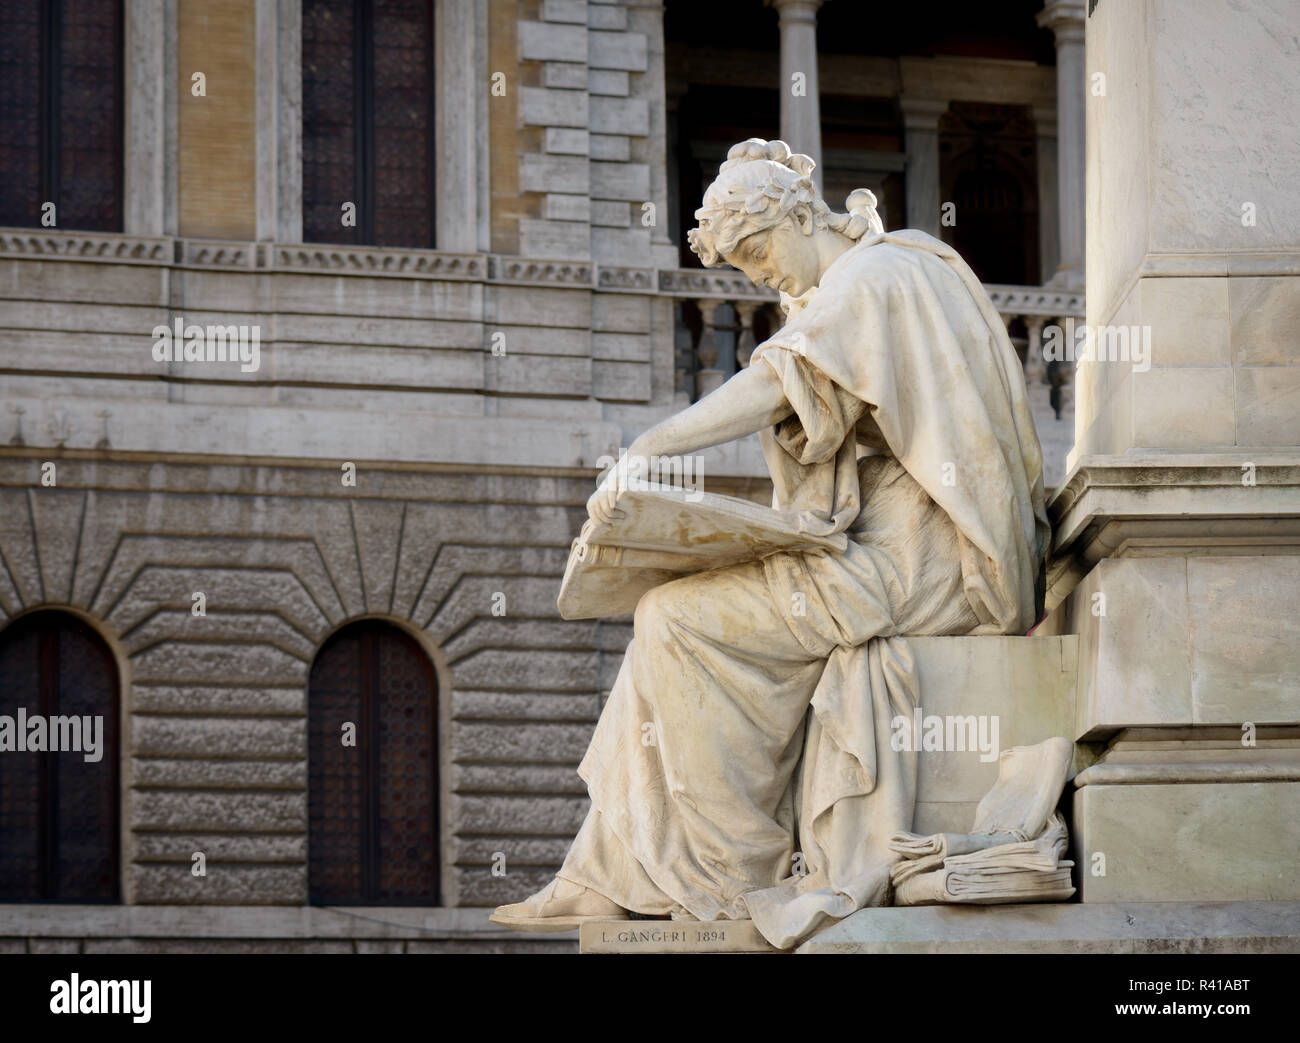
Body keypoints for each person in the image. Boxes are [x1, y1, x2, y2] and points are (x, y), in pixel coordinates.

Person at [491, 138, 1049, 948]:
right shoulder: (906, 264)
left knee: (676, 621)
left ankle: (731, 874)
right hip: (901, 541)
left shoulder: (875, 278)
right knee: (668, 619)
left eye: (758, 252)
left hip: (932, 559)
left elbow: (772, 382)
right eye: (744, 268)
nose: (763, 278)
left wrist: (649, 448)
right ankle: (606, 871)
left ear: (797, 213)